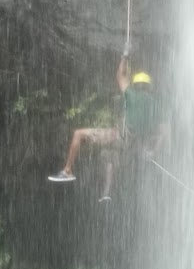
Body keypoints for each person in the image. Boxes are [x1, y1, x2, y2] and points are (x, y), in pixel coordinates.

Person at [47, 56, 167, 200]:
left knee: (78, 134)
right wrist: (152, 151)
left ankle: (67, 171)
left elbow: (120, 75)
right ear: (149, 87)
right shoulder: (156, 105)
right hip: (135, 146)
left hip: (120, 137)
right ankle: (106, 194)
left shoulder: (131, 93)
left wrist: (125, 56)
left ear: (135, 85)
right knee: (108, 155)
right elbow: (163, 133)